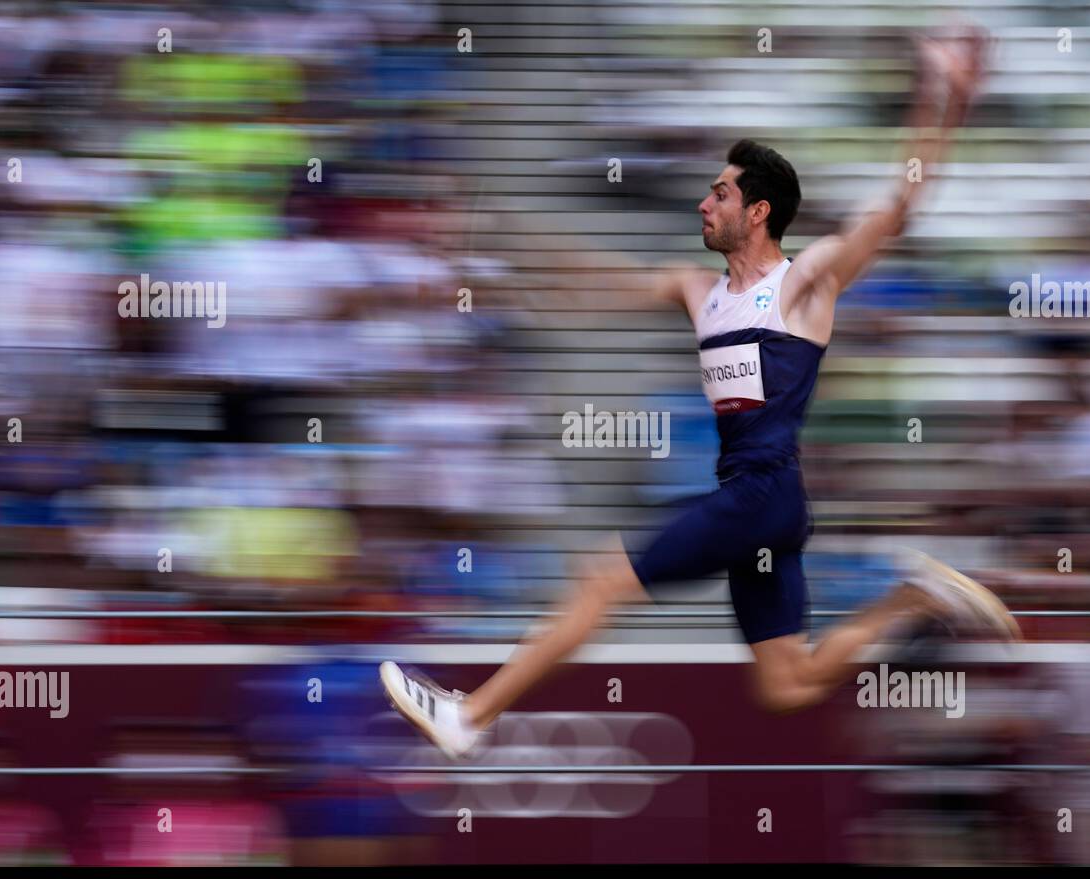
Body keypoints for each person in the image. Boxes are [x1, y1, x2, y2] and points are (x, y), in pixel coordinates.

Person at [381, 27, 1020, 760]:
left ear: (759, 213)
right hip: (768, 505)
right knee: (787, 684)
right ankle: (915, 599)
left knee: (600, 581)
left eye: (718, 193)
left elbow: (898, 207)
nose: (702, 203)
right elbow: (591, 285)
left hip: (760, 497)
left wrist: (948, 101)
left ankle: (472, 715)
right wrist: (500, 243)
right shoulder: (697, 290)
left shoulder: (805, 283)